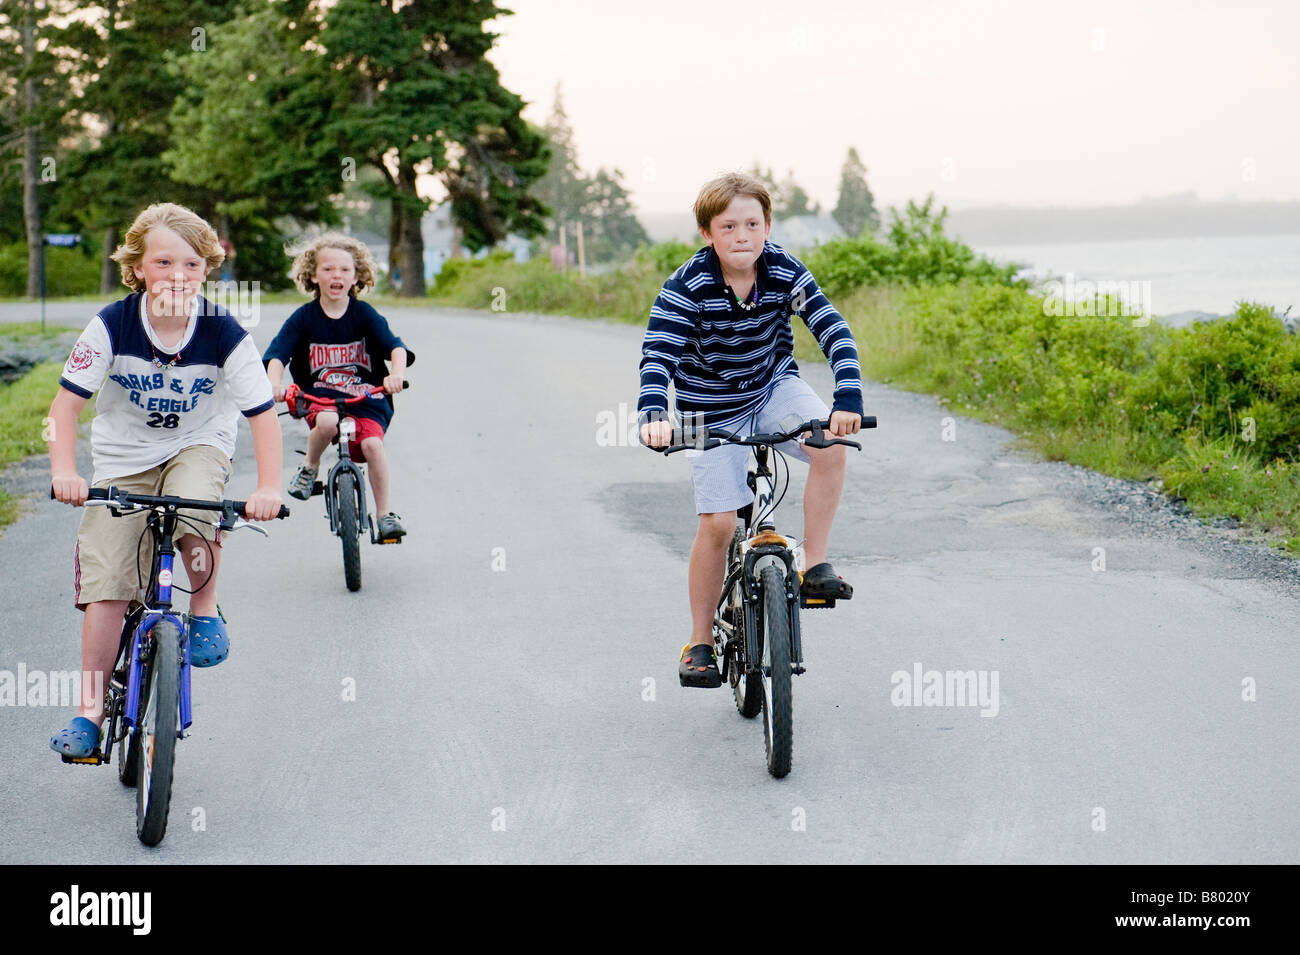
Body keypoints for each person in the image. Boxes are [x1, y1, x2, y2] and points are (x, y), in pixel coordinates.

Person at [48, 202, 283, 757]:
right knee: (108, 586)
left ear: (207, 270)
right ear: (137, 269)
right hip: (124, 457)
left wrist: (268, 486)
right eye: (163, 263)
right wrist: (65, 472)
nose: (178, 277)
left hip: (197, 444)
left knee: (200, 503)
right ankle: (89, 713)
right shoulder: (112, 323)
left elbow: (262, 415)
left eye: (192, 265)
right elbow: (64, 409)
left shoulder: (224, 330)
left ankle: (203, 611)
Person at [637, 172, 864, 688]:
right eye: (728, 226)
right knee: (718, 525)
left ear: (767, 227)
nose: (742, 236)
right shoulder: (686, 286)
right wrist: (654, 414)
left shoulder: (784, 270)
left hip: (772, 389)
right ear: (707, 233)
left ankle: (816, 565)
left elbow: (832, 328)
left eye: (753, 224)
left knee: (829, 447)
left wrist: (846, 396)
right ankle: (699, 641)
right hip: (706, 409)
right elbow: (659, 356)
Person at [264, 234, 412, 542]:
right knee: (329, 422)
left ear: (356, 276)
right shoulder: (303, 318)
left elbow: (395, 347)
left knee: (372, 447)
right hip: (320, 398)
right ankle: (310, 466)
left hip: (365, 398)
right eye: (328, 269)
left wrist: (395, 375)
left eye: (345, 270)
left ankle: (385, 515)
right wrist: (274, 384)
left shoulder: (364, 314)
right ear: (313, 275)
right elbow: (277, 356)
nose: (336, 276)